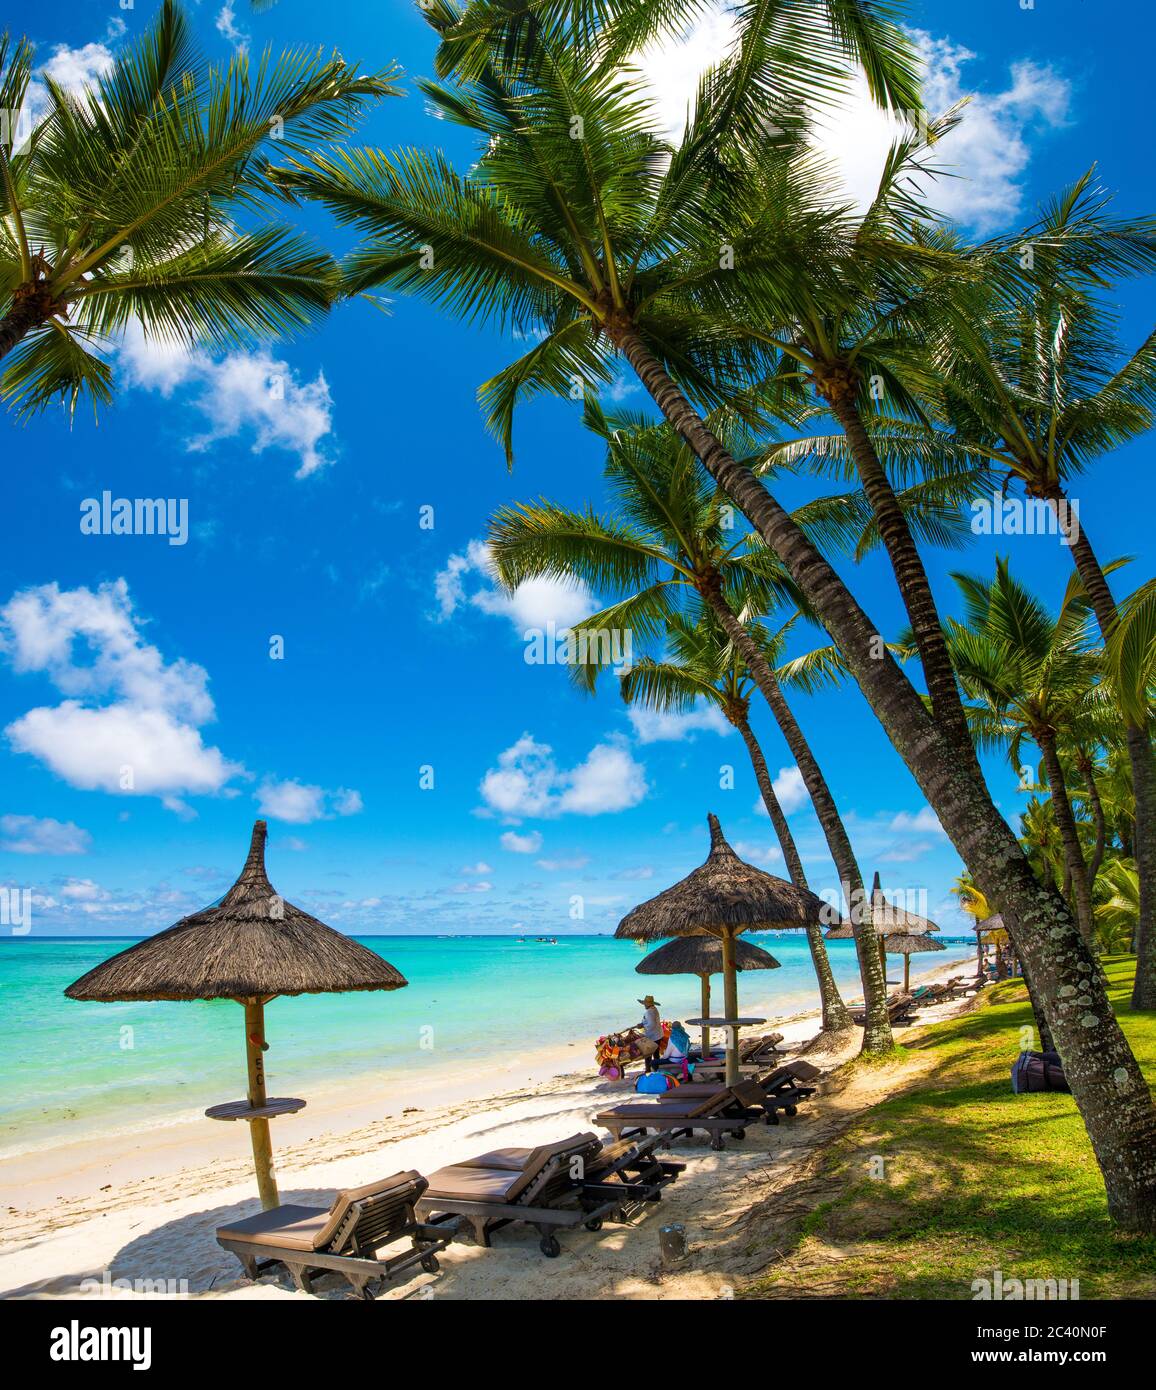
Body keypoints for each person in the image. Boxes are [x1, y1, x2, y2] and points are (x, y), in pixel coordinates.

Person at [634, 994, 664, 1072]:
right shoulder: (654, 1009)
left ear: (648, 1004)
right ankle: (656, 1069)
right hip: (658, 1034)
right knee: (656, 1054)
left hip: (652, 1036)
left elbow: (651, 1024)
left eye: (645, 1004)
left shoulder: (649, 1012)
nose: (644, 1006)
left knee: (648, 1054)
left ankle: (648, 1070)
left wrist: (642, 1025)